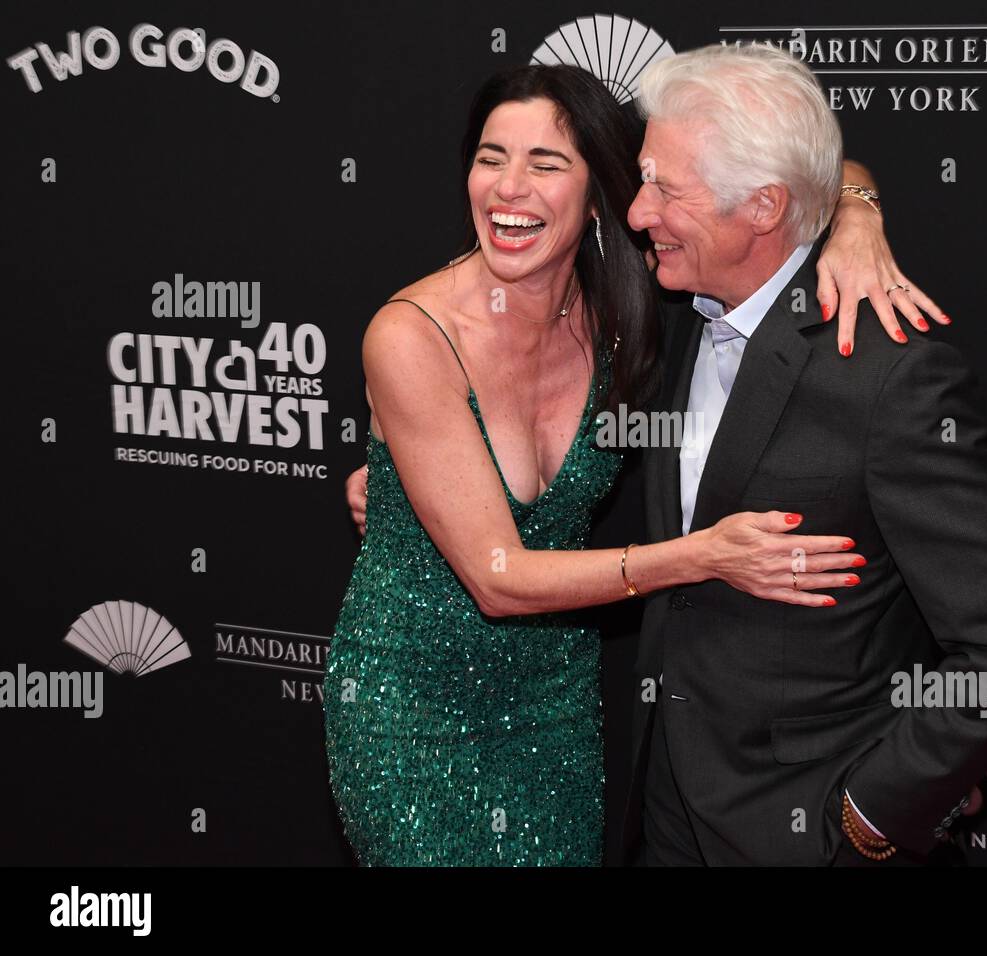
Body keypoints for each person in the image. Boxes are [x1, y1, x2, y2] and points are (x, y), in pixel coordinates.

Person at [323, 60, 934, 866]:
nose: (508, 189)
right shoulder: (409, 335)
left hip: (554, 705)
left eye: (546, 164)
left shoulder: (628, 309)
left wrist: (856, 217)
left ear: (604, 187)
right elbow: (498, 577)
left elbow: (793, 159)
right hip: (412, 707)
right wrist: (701, 556)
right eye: (489, 158)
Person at [606, 43, 987, 867]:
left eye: (664, 189)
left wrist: (868, 817)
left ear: (762, 208)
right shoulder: (678, 302)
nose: (639, 213)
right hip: (664, 807)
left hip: (806, 829)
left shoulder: (891, 373)